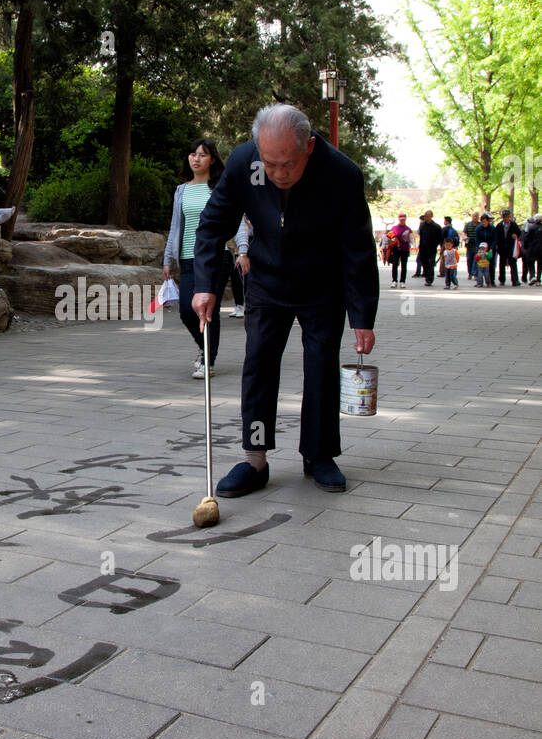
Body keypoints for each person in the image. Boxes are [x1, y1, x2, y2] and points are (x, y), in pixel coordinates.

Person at [191, 103, 377, 496]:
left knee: (321, 366)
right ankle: (254, 459)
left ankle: (319, 455)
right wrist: (205, 284)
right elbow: (212, 225)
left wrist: (363, 317)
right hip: (267, 283)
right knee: (258, 365)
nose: (277, 174)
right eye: (269, 163)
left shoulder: (342, 175)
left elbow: (358, 250)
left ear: (308, 146)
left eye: (287, 164)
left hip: (322, 287)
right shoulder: (245, 162)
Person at [163, 140, 248, 377]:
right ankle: (204, 346)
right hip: (188, 258)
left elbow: (237, 219)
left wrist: (242, 250)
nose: (196, 158)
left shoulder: (220, 188)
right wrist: (167, 259)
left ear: (212, 159)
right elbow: (175, 226)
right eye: (193, 154)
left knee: (209, 307)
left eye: (203, 154)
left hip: (215, 257)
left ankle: (208, 360)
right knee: (186, 311)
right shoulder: (182, 190)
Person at [495, 208, 521, 286]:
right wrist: (497, 245)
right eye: (505, 217)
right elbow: (496, 236)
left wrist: (516, 236)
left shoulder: (513, 225)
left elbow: (519, 233)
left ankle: (515, 280)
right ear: (502, 217)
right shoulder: (499, 225)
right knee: (502, 264)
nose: (507, 218)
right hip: (502, 247)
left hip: (511, 247)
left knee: (513, 264)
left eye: (508, 217)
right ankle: (502, 280)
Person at [418, 210, 443, 286]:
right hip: (423, 248)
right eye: (425, 216)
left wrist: (439, 246)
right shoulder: (422, 225)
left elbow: (440, 238)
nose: (426, 218)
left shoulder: (436, 227)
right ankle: (426, 277)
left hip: (432, 249)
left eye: (428, 216)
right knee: (424, 264)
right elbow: (421, 235)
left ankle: (430, 279)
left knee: (431, 264)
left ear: (431, 216)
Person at [387, 213, 412, 288]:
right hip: (396, 249)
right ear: (399, 219)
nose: (402, 221)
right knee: (395, 265)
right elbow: (390, 237)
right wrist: (393, 240)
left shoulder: (408, 229)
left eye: (403, 219)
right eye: (401, 219)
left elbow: (411, 239)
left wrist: (413, 244)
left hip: (405, 249)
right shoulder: (394, 228)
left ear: (405, 219)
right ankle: (394, 280)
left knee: (404, 266)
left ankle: (402, 281)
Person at [474, 213, 497, 286]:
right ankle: (479, 282)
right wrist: (479, 249)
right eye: (482, 222)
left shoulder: (492, 228)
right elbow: (477, 240)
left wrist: (491, 249)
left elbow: (495, 240)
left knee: (491, 264)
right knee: (479, 264)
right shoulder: (478, 229)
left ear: (488, 221)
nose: (484, 223)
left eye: (485, 221)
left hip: (490, 248)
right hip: (481, 248)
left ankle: (491, 281)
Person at [463, 211, 480, 281]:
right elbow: (464, 233)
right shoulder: (468, 225)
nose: (475, 217)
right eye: (474, 216)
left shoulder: (480, 225)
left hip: (477, 246)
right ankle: (470, 273)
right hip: (469, 246)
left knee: (476, 260)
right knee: (469, 260)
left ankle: (475, 274)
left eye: (476, 216)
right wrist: (465, 237)